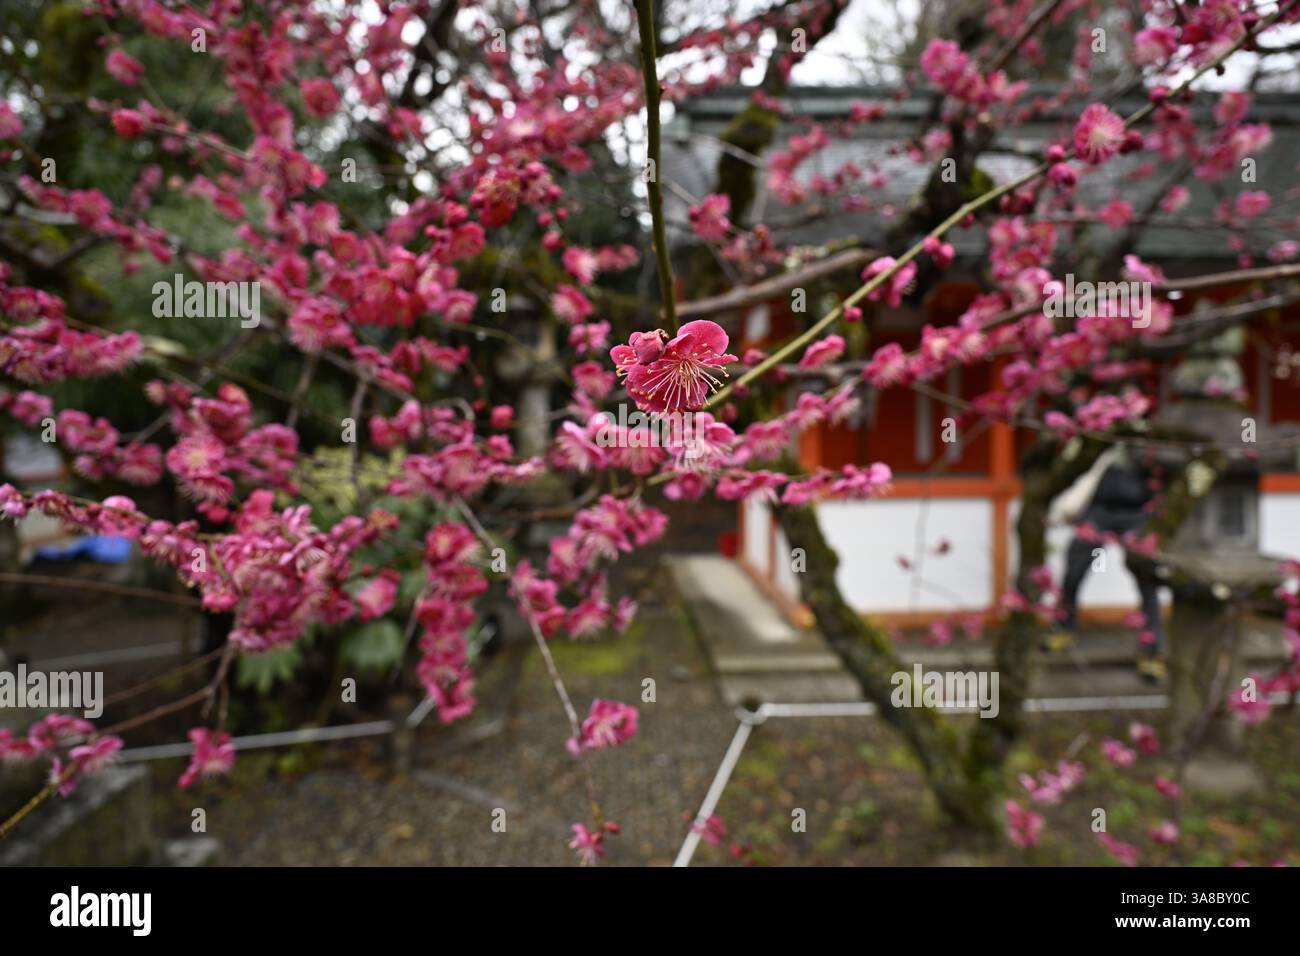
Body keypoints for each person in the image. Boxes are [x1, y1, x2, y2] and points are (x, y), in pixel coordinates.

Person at [1048, 446, 1167, 684]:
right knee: (1074, 571)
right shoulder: (1102, 441)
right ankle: (1063, 627)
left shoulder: (1152, 446)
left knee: (1147, 579)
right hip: (1099, 512)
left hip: (1137, 515)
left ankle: (1151, 649)